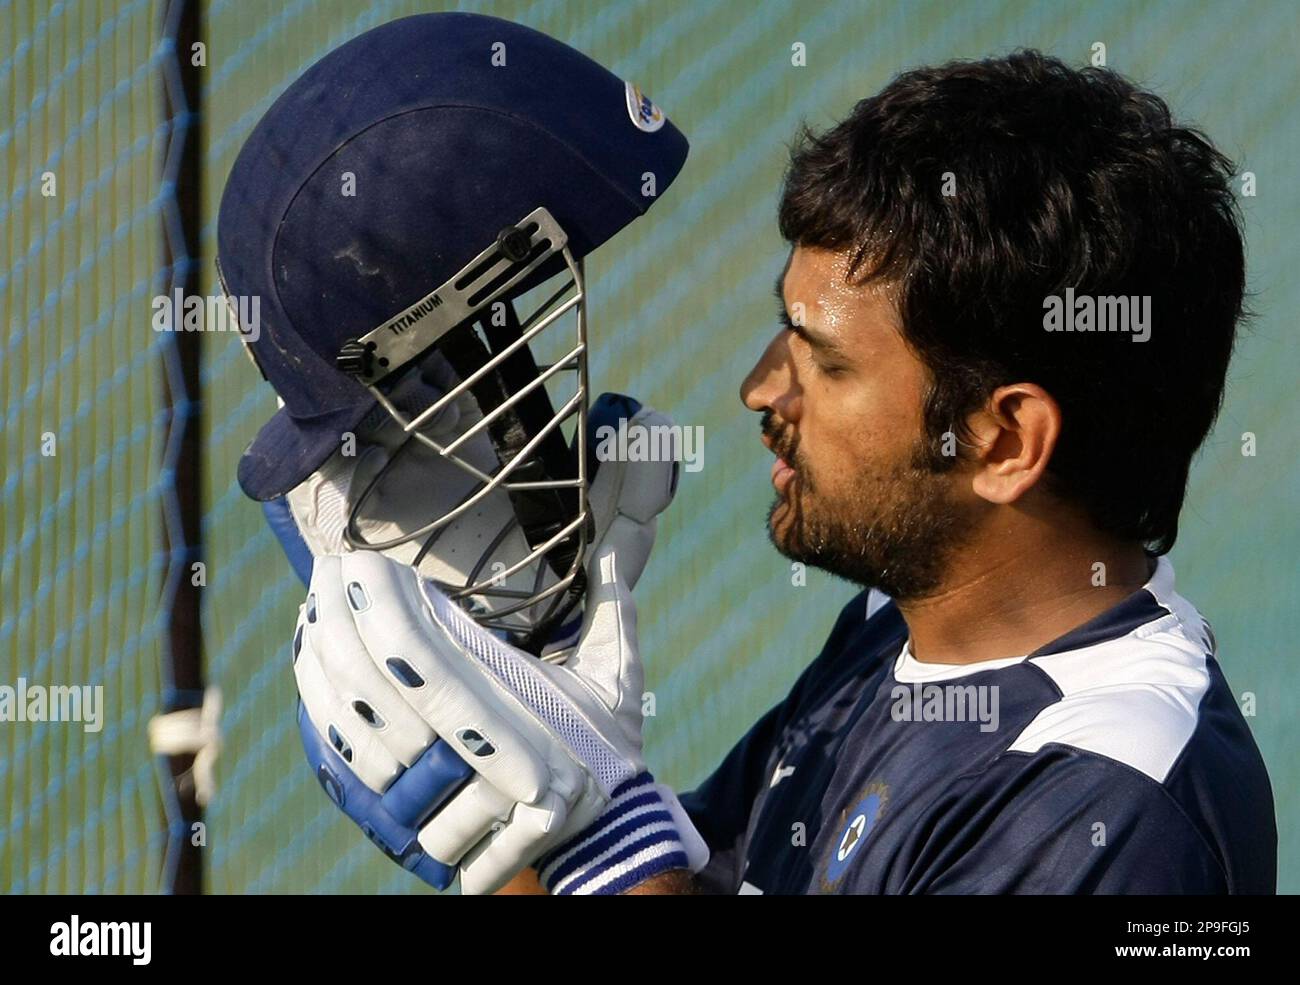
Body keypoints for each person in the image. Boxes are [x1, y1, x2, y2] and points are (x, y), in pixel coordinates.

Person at [276, 45, 1279, 894]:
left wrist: (583, 834)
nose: (760, 389)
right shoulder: (896, 634)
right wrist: (510, 711)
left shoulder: (1111, 806)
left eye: (822, 358)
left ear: (1005, 440)